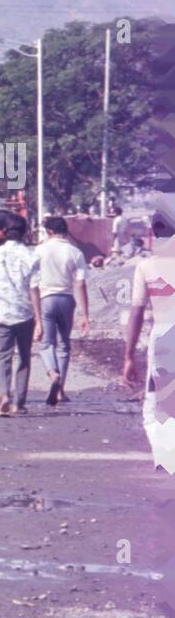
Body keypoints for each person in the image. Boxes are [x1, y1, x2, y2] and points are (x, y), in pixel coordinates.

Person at [121, 194, 175, 474]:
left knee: (158, 400)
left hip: (165, 336)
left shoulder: (147, 266)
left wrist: (129, 356)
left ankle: (167, 457)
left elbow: (136, 313)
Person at [0, 215, 43, 417]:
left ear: (4, 233)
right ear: (25, 234)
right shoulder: (32, 256)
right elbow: (34, 289)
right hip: (25, 313)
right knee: (24, 357)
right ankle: (18, 403)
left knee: (2, 356)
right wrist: (39, 320)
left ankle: (4, 394)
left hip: (1, 312)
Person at [35, 216, 90, 405]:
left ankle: (53, 374)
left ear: (49, 231)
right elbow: (81, 283)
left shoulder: (39, 251)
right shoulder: (75, 252)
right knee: (64, 345)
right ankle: (60, 392)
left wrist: (33, 315)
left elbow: (32, 283)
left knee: (46, 344)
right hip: (67, 300)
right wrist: (85, 315)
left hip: (46, 299)